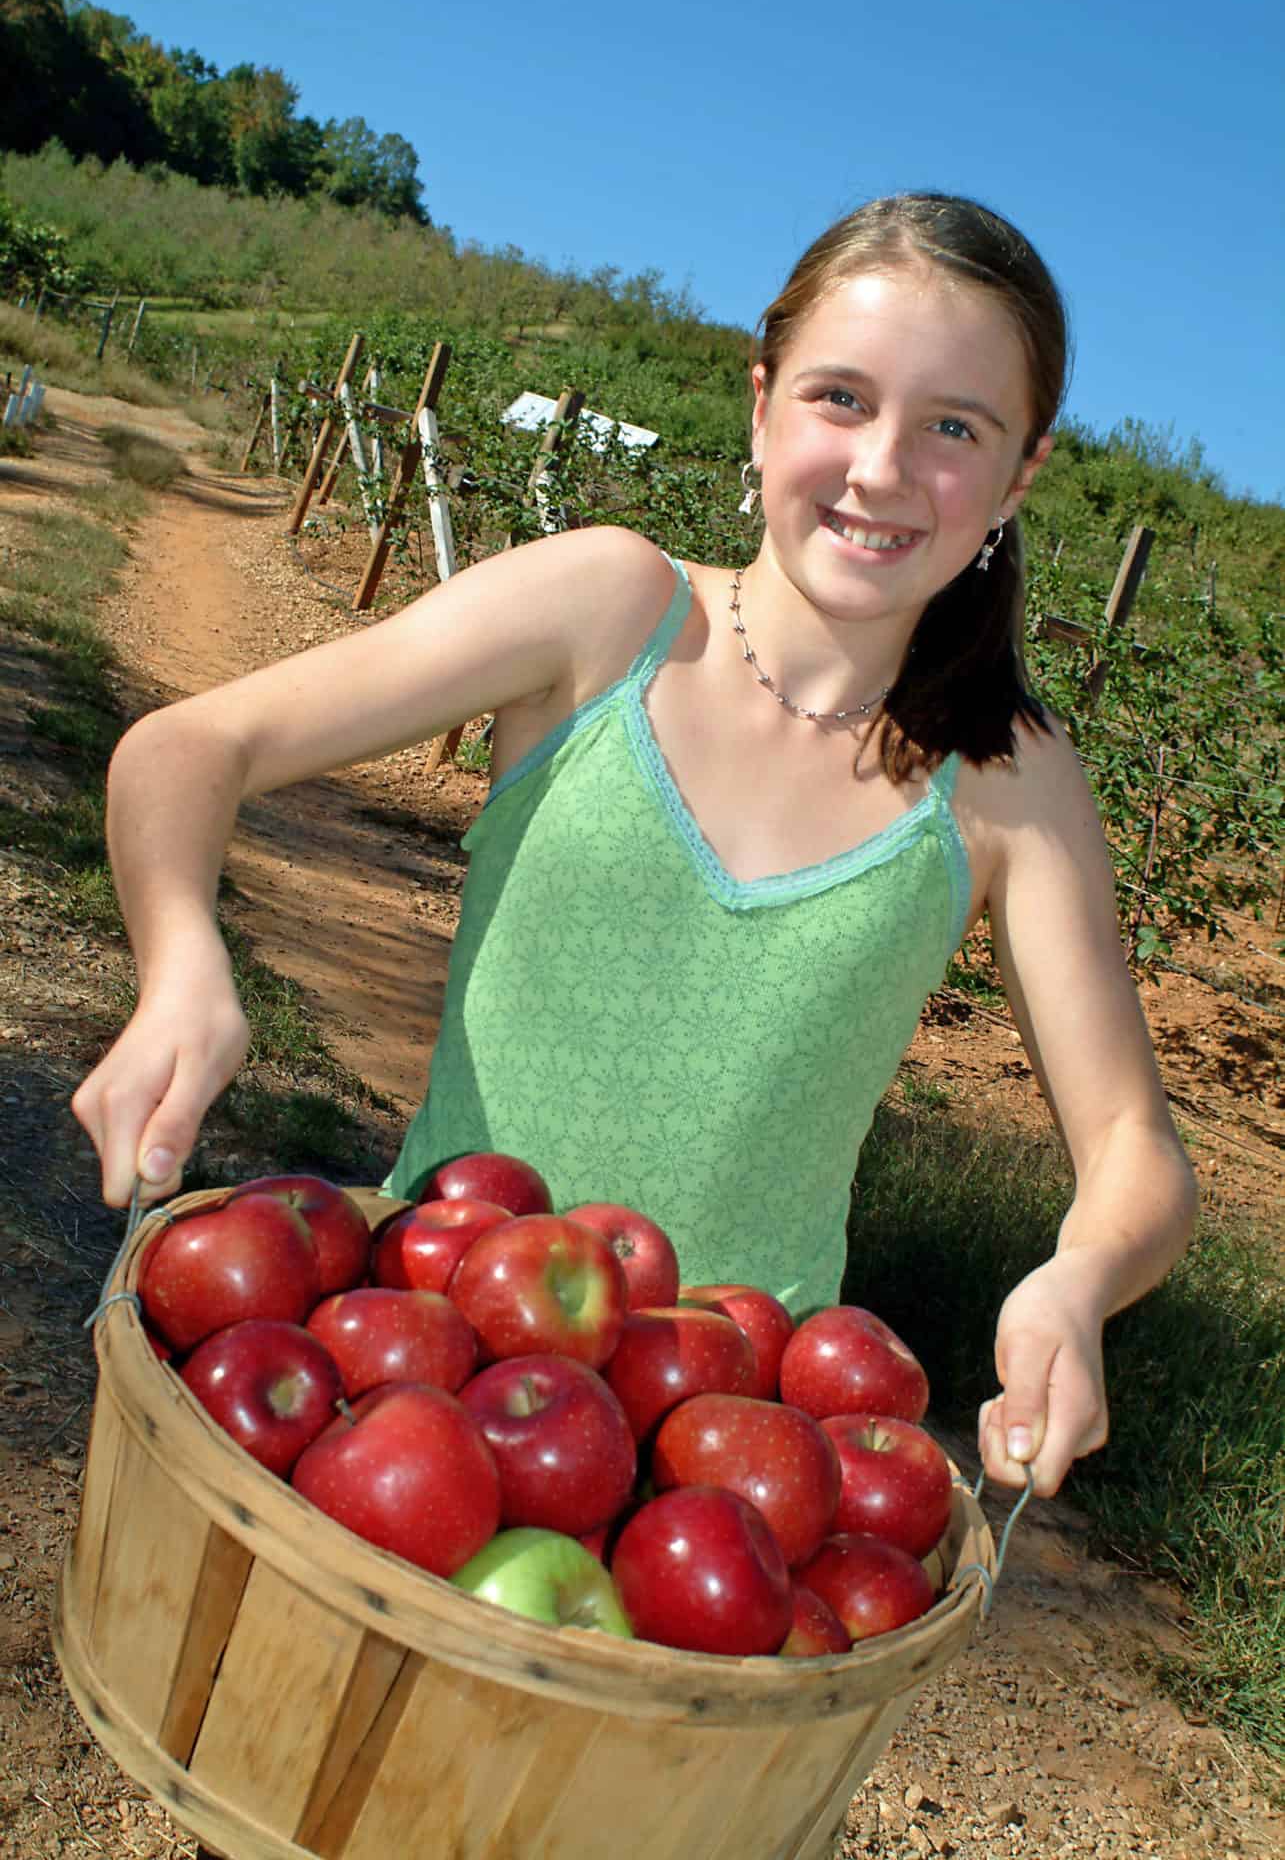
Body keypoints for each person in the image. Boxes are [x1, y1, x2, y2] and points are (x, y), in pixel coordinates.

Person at [71, 192, 1196, 1500]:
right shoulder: (608, 614)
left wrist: (1074, 1282)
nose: (882, 467)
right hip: (425, 1384)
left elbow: (1134, 1149)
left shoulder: (1005, 780)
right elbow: (190, 748)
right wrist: (182, 968)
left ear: (1017, 476)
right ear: (761, 402)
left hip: (737, 1460)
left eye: (953, 427)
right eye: (840, 398)